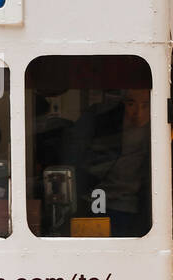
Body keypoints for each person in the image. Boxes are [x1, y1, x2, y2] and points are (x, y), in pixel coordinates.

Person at [62, 88, 151, 236]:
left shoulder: (161, 130)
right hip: (93, 200)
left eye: (146, 105)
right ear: (122, 103)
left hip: (135, 207)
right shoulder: (104, 122)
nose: (138, 113)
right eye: (131, 104)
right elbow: (74, 155)